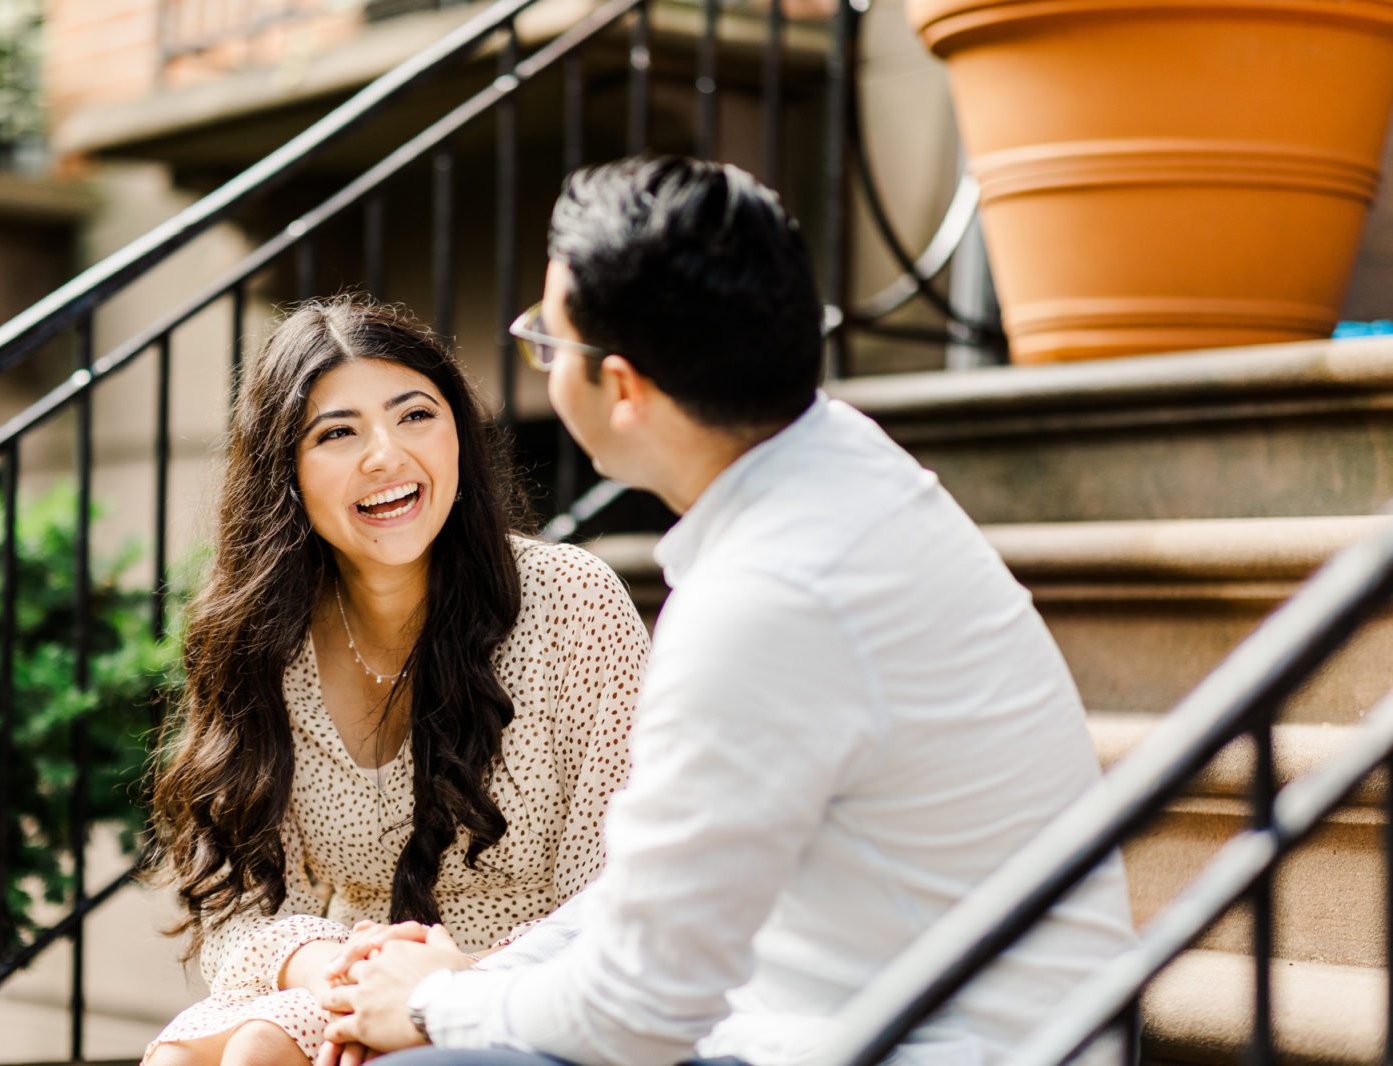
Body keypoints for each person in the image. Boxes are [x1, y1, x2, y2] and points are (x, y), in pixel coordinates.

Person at [315, 156, 1137, 1066]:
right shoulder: (841, 468)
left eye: (547, 341)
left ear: (621, 388)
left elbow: (635, 1013)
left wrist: (435, 1008)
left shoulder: (766, 601)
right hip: (888, 1011)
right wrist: (461, 992)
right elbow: (658, 893)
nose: (543, 362)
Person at [140, 297, 649, 1066]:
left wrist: (434, 989)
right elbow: (239, 908)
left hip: (523, 995)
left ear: (457, 438)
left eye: (416, 415)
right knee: (198, 1054)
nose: (385, 454)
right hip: (339, 982)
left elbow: (612, 899)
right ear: (286, 472)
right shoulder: (262, 637)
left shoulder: (572, 601)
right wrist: (333, 971)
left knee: (260, 1050)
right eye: (338, 433)